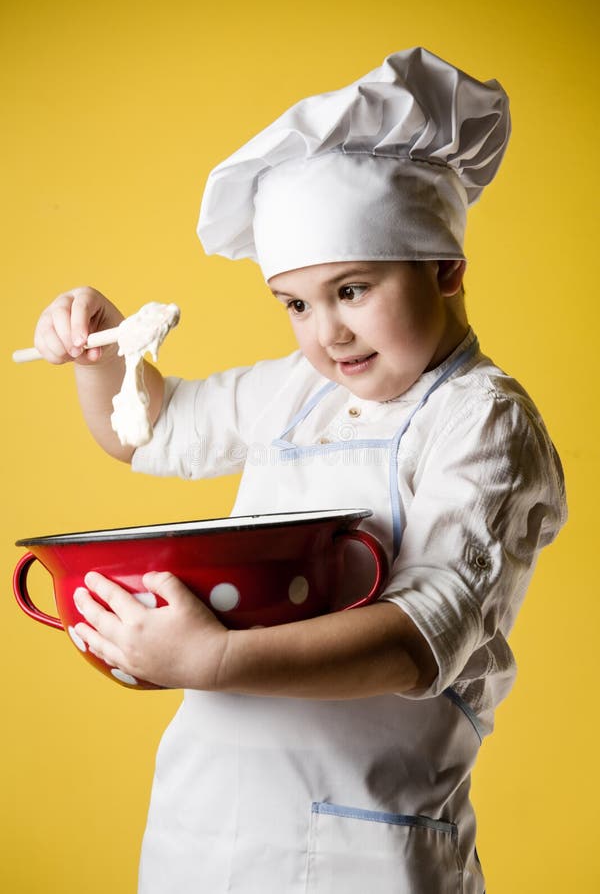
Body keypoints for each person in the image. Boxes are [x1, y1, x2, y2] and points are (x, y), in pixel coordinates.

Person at [33, 48, 566, 893]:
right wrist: (103, 351)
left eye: (352, 288)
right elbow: (149, 433)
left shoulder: (484, 420)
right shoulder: (295, 391)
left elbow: (420, 636)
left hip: (365, 842)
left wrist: (210, 661)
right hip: (205, 826)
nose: (328, 334)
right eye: (296, 303)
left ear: (446, 267)